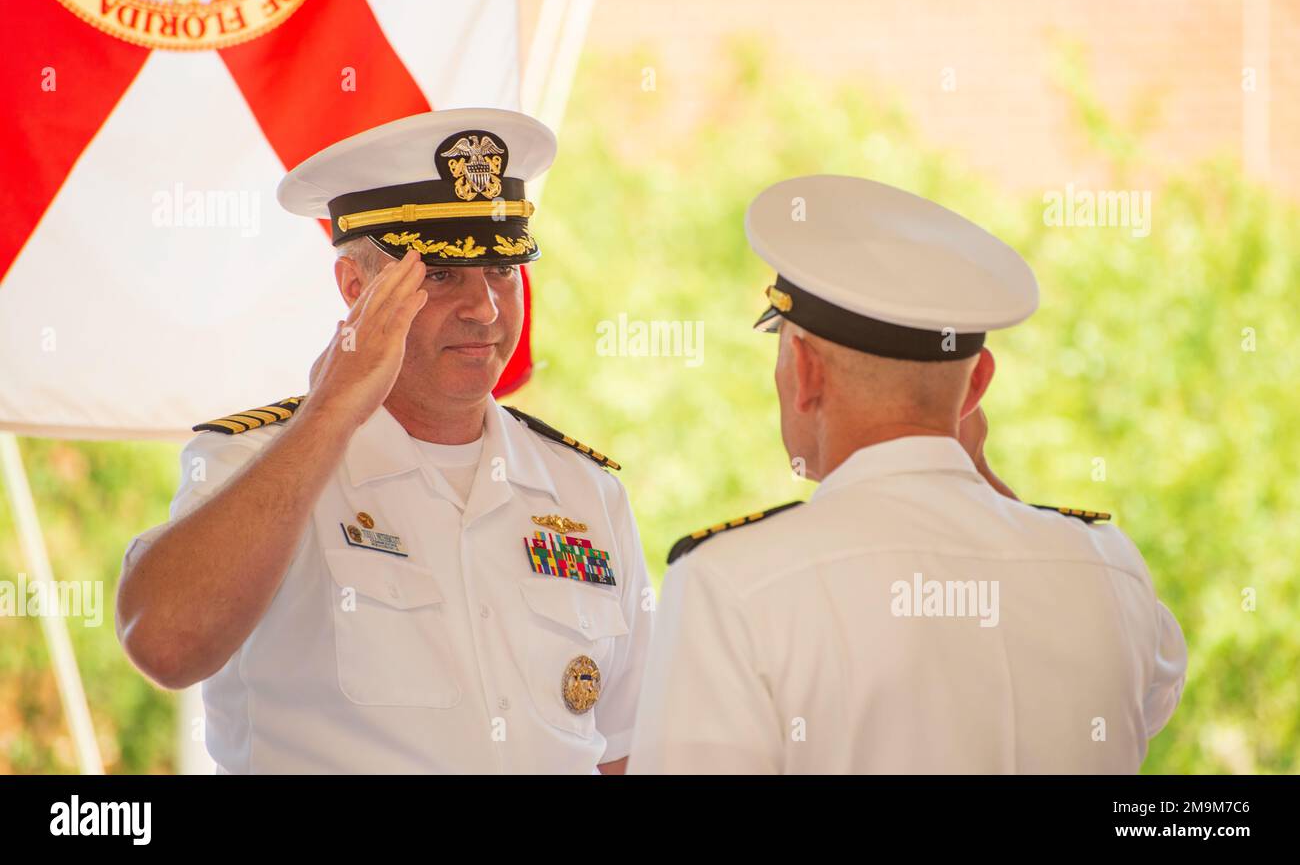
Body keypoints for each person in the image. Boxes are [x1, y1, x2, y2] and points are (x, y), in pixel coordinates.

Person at [117, 108, 652, 774]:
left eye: (501, 269)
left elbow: (626, 750)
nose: (484, 308)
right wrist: (330, 411)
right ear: (354, 287)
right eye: (441, 274)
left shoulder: (586, 492)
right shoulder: (254, 461)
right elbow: (165, 644)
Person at [628, 175, 1186, 774]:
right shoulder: (1110, 572)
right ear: (977, 384)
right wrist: (980, 478)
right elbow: (1156, 693)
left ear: (806, 370)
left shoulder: (730, 586)